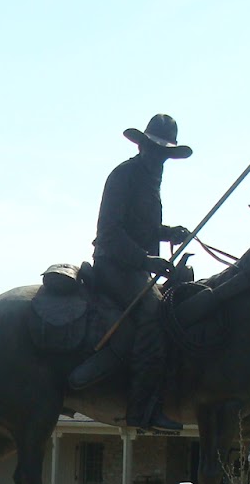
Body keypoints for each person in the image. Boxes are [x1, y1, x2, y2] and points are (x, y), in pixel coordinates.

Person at [79, 113, 195, 431]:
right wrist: (146, 261)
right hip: (113, 265)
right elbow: (110, 233)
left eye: (165, 153)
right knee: (153, 314)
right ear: (142, 146)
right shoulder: (124, 175)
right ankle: (142, 411)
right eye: (155, 150)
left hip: (137, 267)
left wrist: (168, 232)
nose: (159, 158)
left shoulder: (150, 181)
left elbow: (142, 228)